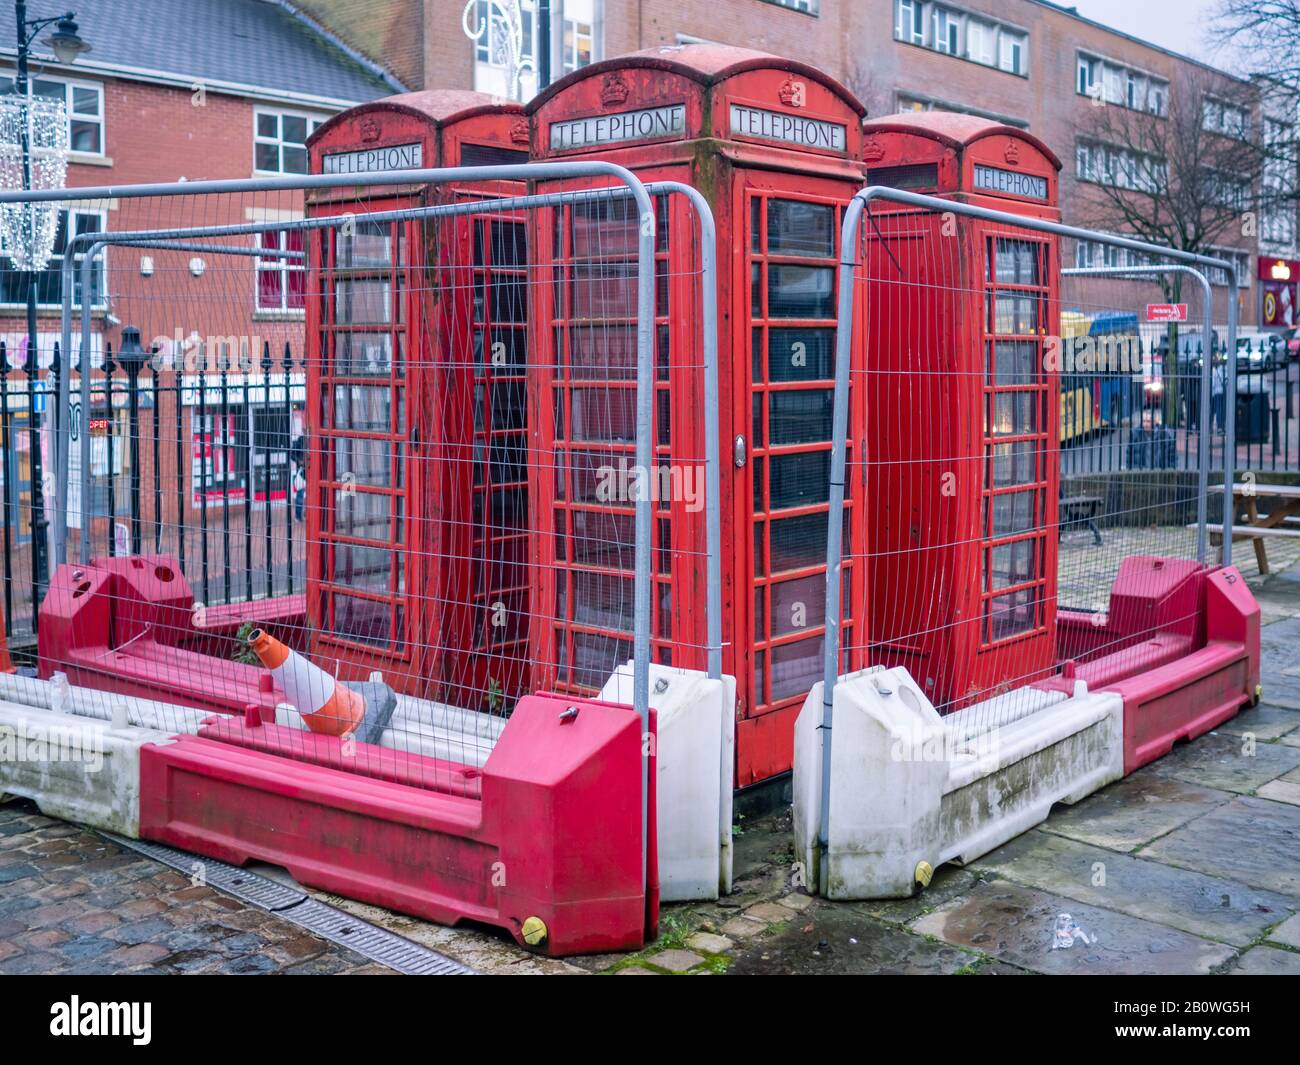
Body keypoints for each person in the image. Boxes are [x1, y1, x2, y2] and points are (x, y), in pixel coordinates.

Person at [290, 433, 306, 522]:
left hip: (313, 473)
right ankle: (298, 516)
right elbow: (292, 455)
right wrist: (299, 461)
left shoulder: (313, 440)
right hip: (301, 473)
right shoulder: (299, 441)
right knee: (300, 494)